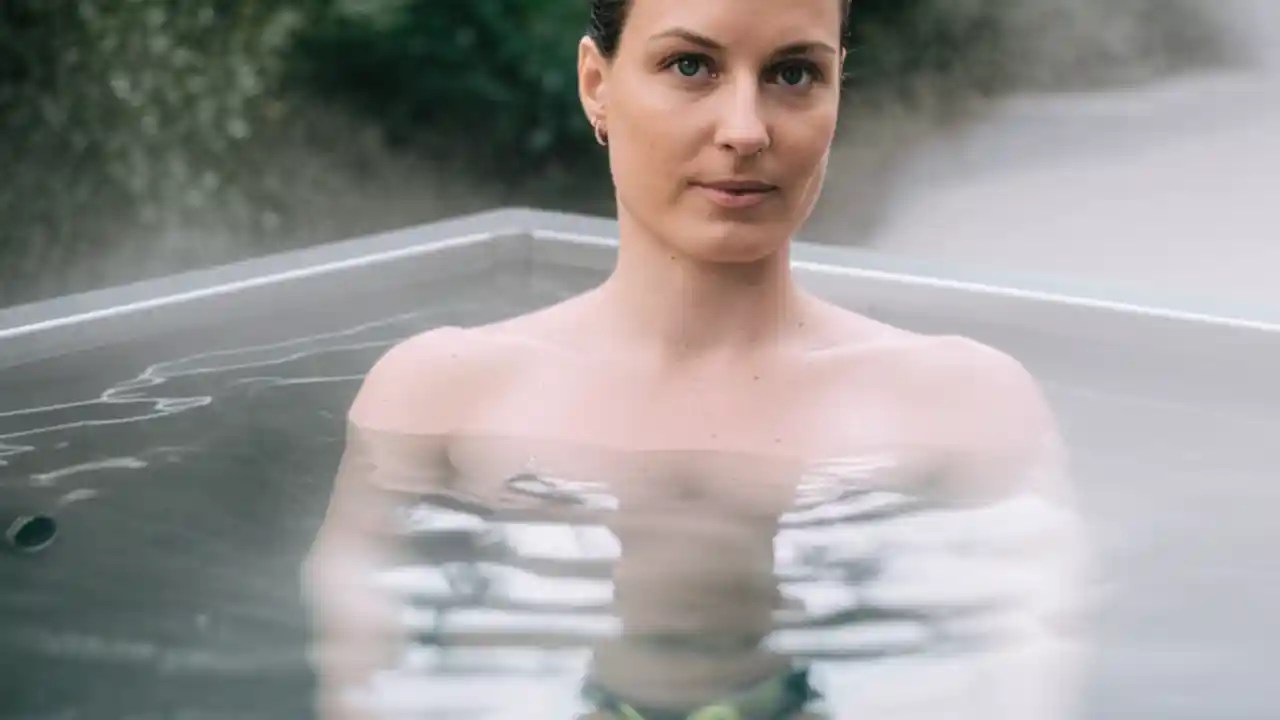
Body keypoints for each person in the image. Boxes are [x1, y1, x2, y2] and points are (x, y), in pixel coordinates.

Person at [303, 1, 1080, 718]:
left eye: (793, 73)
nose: (746, 130)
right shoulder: (439, 398)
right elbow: (363, 691)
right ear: (597, 86)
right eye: (691, 66)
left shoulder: (965, 405)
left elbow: (1023, 688)